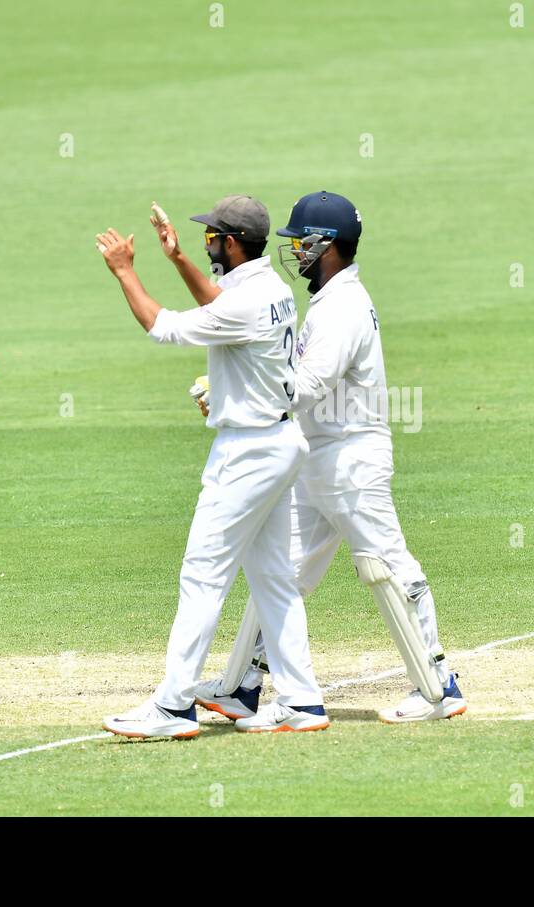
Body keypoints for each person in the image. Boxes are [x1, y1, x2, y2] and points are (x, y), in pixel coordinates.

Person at [192, 191, 466, 723]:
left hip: (350, 458)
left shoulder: (342, 307)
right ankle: (242, 684)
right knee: (281, 572)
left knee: (385, 567)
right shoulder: (328, 301)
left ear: (329, 246)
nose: (295, 252)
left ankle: (438, 688)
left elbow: (308, 385)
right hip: (315, 456)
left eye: (302, 242)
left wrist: (240, 397)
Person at [95, 195, 328, 738]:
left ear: (232, 242)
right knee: (273, 580)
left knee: (202, 576)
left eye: (211, 237)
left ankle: (173, 706)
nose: (206, 244)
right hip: (280, 441)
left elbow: (165, 327)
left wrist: (125, 271)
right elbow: (220, 303)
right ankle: (302, 701)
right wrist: (178, 261)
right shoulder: (271, 288)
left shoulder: (248, 302)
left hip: (246, 452)